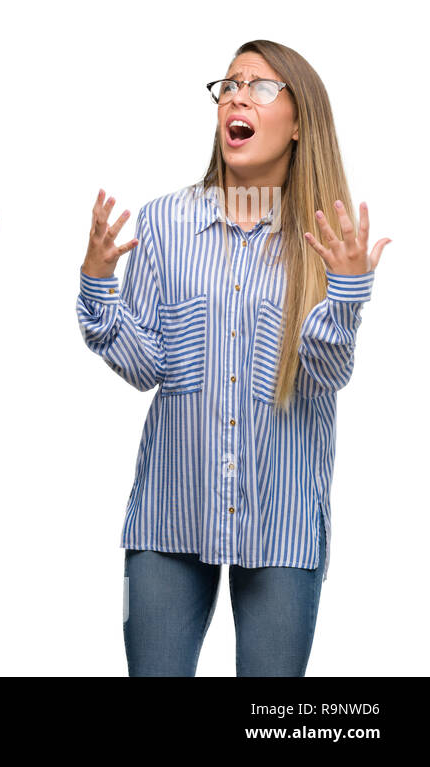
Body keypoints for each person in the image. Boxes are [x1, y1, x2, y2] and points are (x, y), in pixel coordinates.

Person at [76, 39, 390, 676]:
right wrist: (98, 284)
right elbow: (146, 367)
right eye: (230, 84)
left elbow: (328, 374)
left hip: (282, 520)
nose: (238, 95)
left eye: (263, 87)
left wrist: (349, 292)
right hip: (171, 514)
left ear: (300, 123)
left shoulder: (326, 240)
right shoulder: (164, 222)